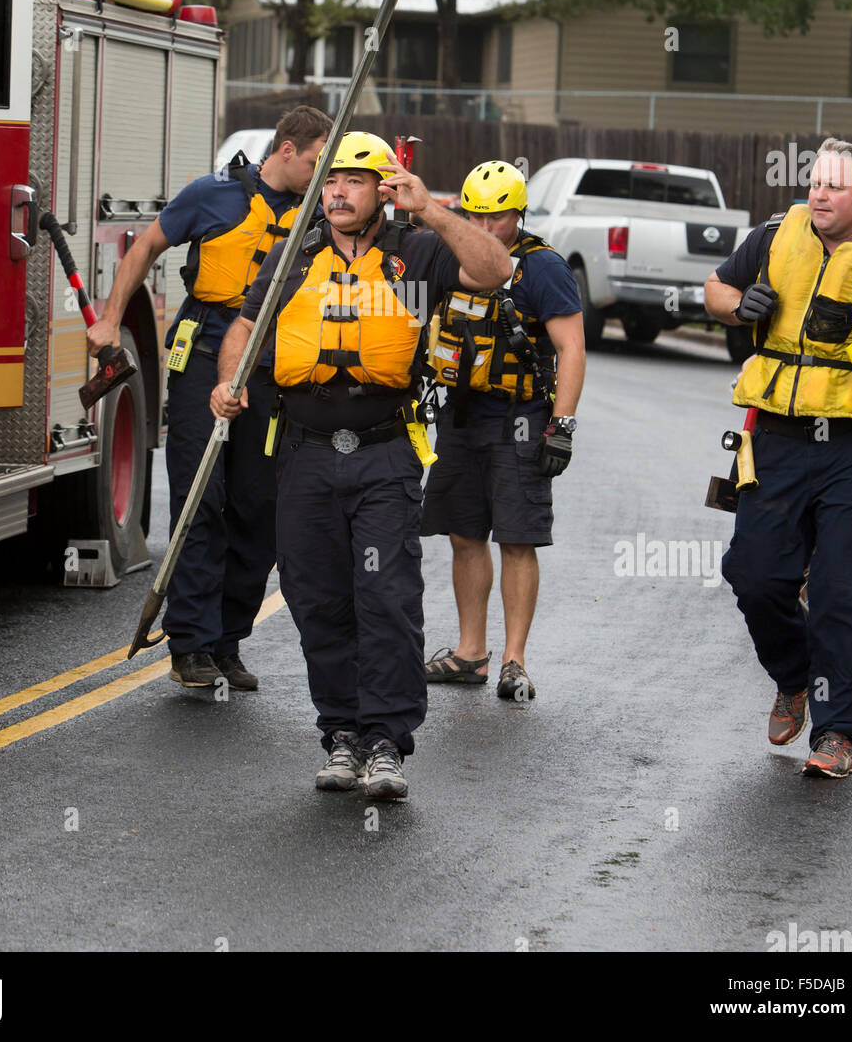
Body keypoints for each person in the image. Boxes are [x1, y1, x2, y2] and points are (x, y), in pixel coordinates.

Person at [211, 132, 512, 799]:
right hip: (304, 454)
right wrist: (227, 381)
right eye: (330, 180)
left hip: (385, 452)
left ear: (384, 189)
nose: (337, 192)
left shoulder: (418, 251)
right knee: (318, 597)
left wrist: (432, 209)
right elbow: (246, 325)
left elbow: (495, 271)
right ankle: (341, 735)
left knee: (386, 598)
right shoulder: (295, 253)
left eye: (353, 180)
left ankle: (385, 743)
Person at [87, 105, 331, 691]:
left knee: (259, 507)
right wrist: (111, 322)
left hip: (274, 360)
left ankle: (226, 640)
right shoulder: (212, 195)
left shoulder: (321, 213)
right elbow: (143, 248)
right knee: (203, 499)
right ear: (288, 150)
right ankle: (190, 644)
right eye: (320, 159)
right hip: (204, 352)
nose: (327, 172)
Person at [705, 137, 852, 778]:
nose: (819, 194)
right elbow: (712, 290)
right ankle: (793, 679)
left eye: (835, 186)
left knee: (845, 594)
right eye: (816, 182)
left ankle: (838, 731)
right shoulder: (771, 236)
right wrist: (739, 306)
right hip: (778, 440)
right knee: (755, 576)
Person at [420, 160, 585, 701]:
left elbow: (571, 348)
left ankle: (514, 660)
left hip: (520, 417)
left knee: (516, 536)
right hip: (460, 415)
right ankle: (471, 653)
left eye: (499, 217)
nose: (487, 227)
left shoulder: (543, 267)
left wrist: (560, 425)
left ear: (519, 213)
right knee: (464, 533)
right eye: (477, 215)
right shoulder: (449, 255)